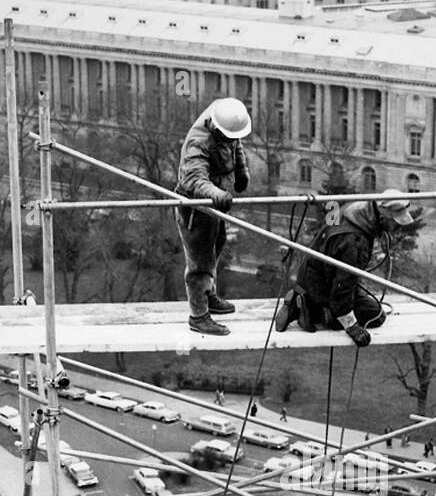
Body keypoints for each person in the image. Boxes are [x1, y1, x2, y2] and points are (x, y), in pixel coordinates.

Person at [275, 189, 415, 346]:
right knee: (375, 316)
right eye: (394, 222)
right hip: (324, 285)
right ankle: (314, 311)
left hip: (310, 272)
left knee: (355, 296)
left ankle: (306, 300)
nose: (396, 228)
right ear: (382, 216)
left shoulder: (354, 207)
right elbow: (342, 287)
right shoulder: (355, 242)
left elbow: (328, 234)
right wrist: (351, 326)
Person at [174, 97, 252, 337]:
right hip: (196, 209)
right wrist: (216, 193)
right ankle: (198, 316)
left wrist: (241, 171)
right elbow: (194, 180)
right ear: (217, 129)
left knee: (215, 247)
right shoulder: (199, 143)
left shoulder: (225, 119)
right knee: (199, 260)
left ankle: (209, 295)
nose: (231, 139)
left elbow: (235, 144)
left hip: (214, 207)